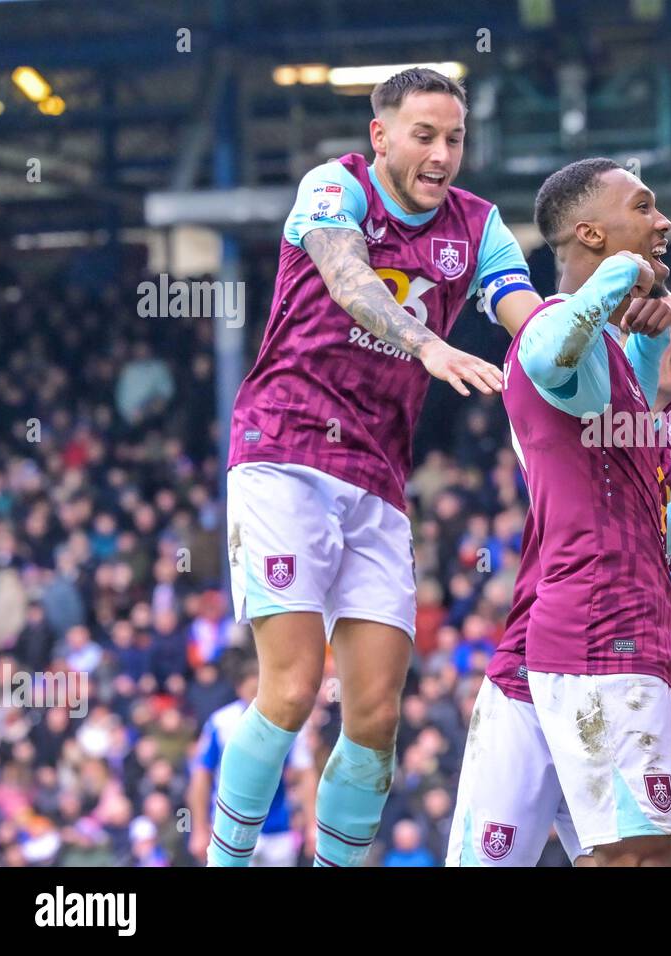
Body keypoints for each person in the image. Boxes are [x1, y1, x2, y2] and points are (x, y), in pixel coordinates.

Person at [214, 67, 546, 868]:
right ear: (382, 136)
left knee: (373, 716)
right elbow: (347, 274)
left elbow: (529, 322)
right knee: (292, 690)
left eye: (455, 138)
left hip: (377, 477)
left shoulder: (482, 226)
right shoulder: (335, 188)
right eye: (424, 135)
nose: (441, 154)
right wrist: (428, 340)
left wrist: (590, 332)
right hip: (283, 452)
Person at [447, 158, 671, 866]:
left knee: (666, 852)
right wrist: (627, 274)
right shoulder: (563, 342)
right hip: (579, 635)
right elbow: (550, 343)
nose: (664, 222)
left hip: (619, 631)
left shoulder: (636, 383)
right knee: (633, 854)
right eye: (644, 207)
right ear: (591, 232)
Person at [189, 657, 316, 866]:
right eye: (252, 691)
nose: (258, 699)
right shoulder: (221, 723)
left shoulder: (291, 725)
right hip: (229, 827)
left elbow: (306, 774)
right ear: (239, 689)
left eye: (263, 691)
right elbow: (201, 778)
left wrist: (312, 824)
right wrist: (199, 828)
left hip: (277, 828)